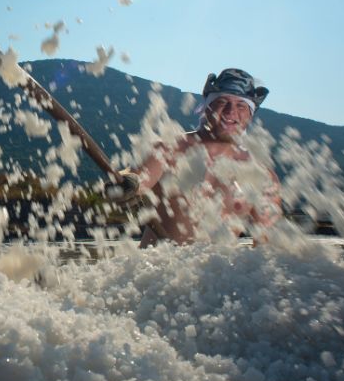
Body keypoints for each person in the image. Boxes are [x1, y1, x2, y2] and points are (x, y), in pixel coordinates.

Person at [110, 68, 281, 247]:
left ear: (250, 115)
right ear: (207, 107)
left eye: (241, 105)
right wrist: (124, 182)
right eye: (223, 102)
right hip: (153, 270)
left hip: (218, 274)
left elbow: (267, 248)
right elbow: (138, 178)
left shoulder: (261, 176)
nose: (231, 111)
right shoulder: (171, 149)